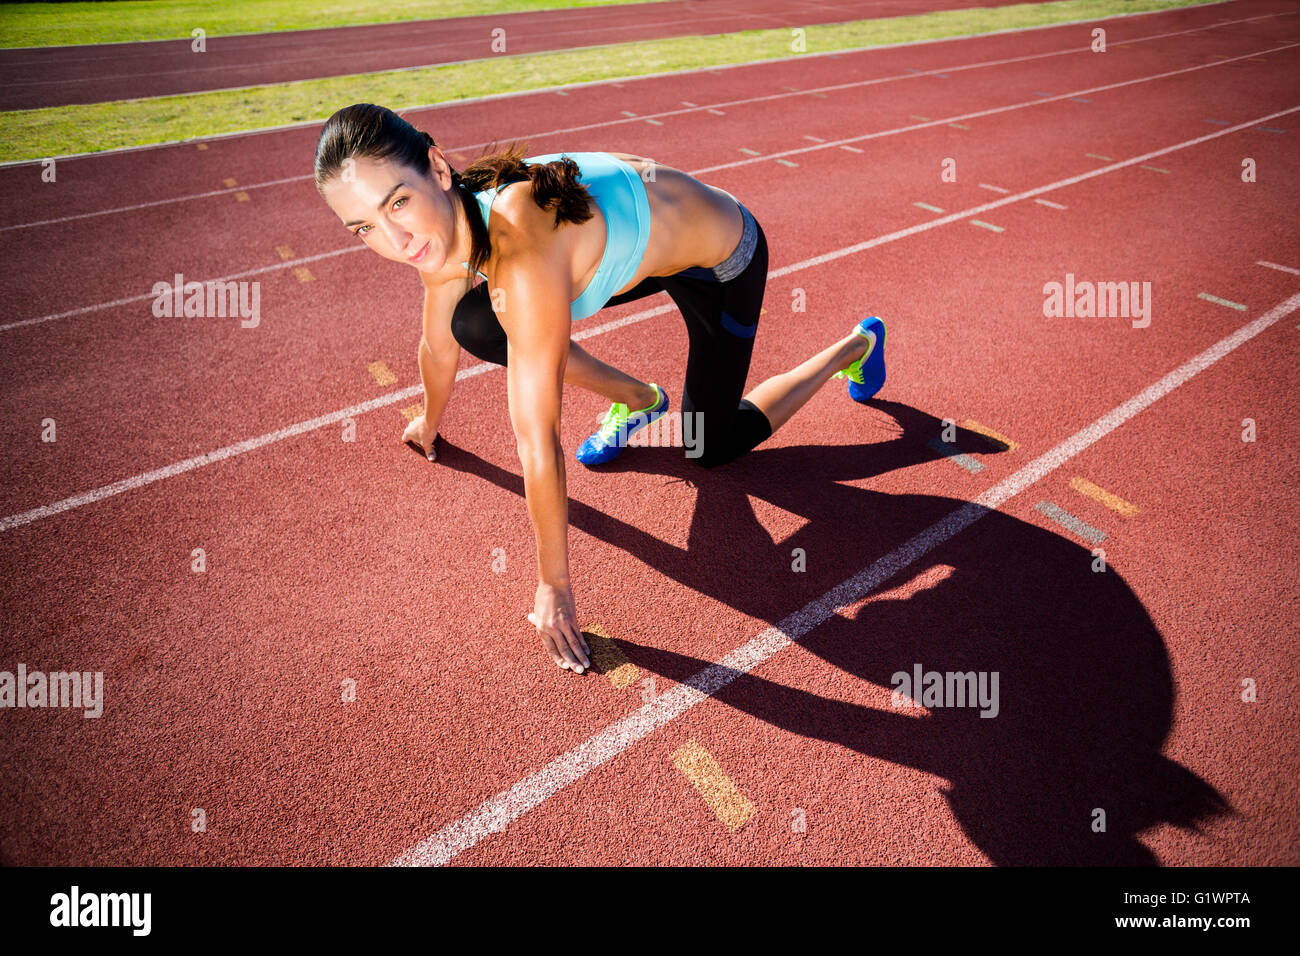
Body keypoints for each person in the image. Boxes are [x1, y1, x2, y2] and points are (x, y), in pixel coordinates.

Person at [315, 103, 886, 676]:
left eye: (396, 202)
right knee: (474, 323)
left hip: (720, 259)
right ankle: (642, 399)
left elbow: (539, 438)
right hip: (639, 245)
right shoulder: (437, 233)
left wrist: (554, 587)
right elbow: (440, 344)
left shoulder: (519, 247)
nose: (394, 238)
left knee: (709, 448)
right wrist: (429, 423)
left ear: (438, 170)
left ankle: (853, 348)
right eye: (364, 227)